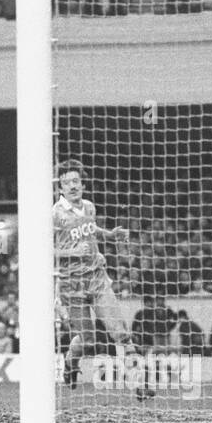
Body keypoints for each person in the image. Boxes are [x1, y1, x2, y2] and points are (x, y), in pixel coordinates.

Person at [54, 160, 145, 396]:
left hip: (96, 277)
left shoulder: (89, 207)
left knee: (120, 331)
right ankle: (69, 364)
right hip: (71, 285)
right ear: (60, 188)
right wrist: (70, 252)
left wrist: (111, 235)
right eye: (66, 182)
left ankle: (139, 384)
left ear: (82, 184)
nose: (72, 186)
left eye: (76, 181)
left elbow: (91, 230)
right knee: (87, 341)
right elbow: (42, 250)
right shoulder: (55, 215)